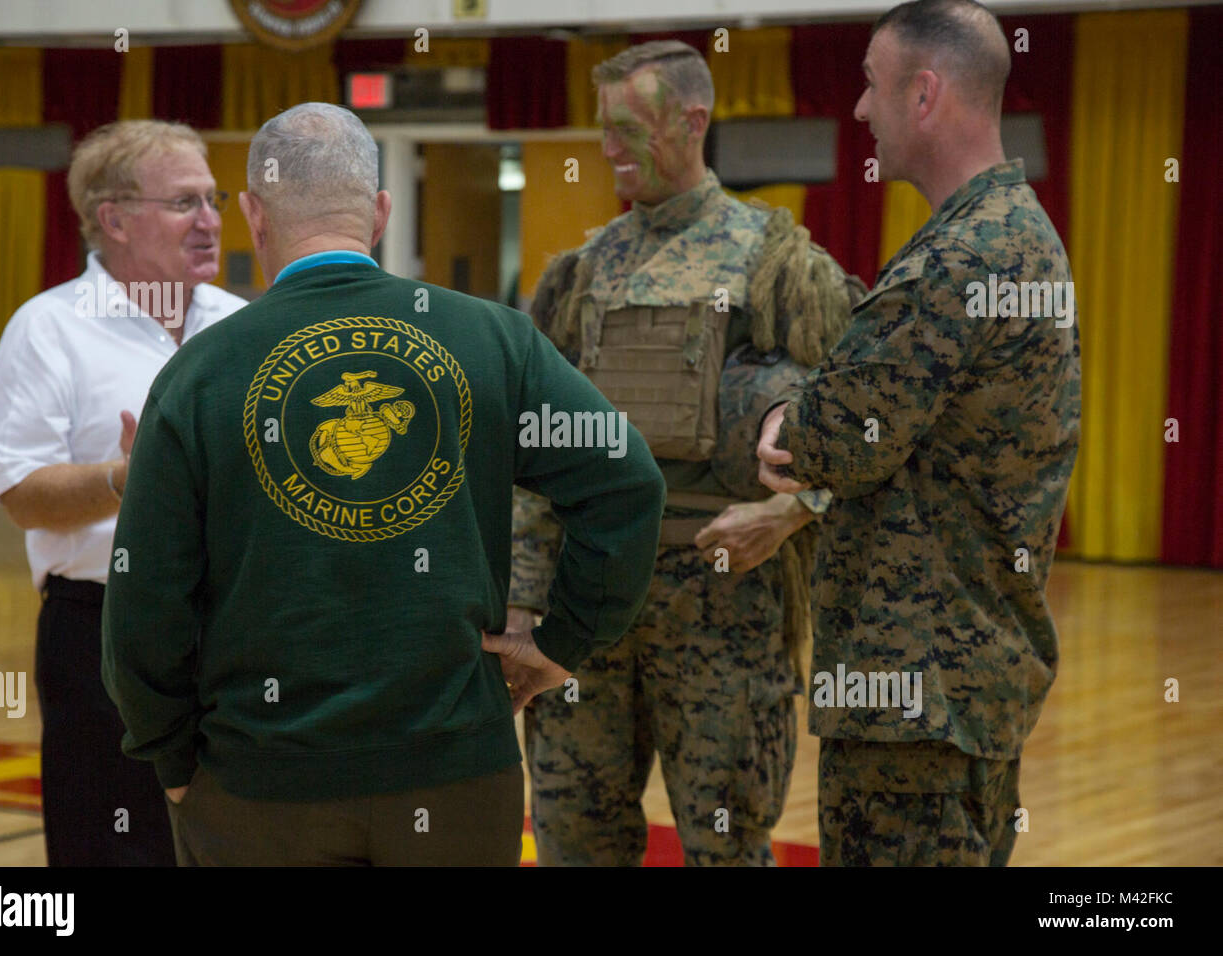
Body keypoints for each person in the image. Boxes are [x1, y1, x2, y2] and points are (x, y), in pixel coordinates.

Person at [100, 102, 665, 867]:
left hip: (259, 786)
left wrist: (168, 756)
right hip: (456, 778)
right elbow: (628, 482)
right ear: (379, 211)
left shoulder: (199, 374)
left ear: (254, 215)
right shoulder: (493, 339)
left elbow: (143, 601)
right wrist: (561, 641)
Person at [510, 40, 861, 866]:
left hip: (723, 603)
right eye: (604, 130)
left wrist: (790, 512)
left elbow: (860, 432)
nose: (608, 151)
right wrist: (523, 602)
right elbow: (529, 454)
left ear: (691, 120)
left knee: (727, 842)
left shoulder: (778, 264)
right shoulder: (578, 274)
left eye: (628, 130)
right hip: (588, 598)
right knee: (572, 837)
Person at [758, 0, 1081, 866]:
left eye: (871, 84)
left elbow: (824, 440)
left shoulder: (957, 260)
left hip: (914, 698)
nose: (861, 109)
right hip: (965, 684)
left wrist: (779, 412)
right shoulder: (1018, 236)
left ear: (925, 92)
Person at [0, 120, 246, 866]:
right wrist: (124, 483)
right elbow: (22, 492)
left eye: (213, 198)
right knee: (110, 848)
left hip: (232, 627)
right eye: (183, 203)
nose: (208, 221)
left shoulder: (241, 326)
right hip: (102, 631)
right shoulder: (48, 330)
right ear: (114, 219)